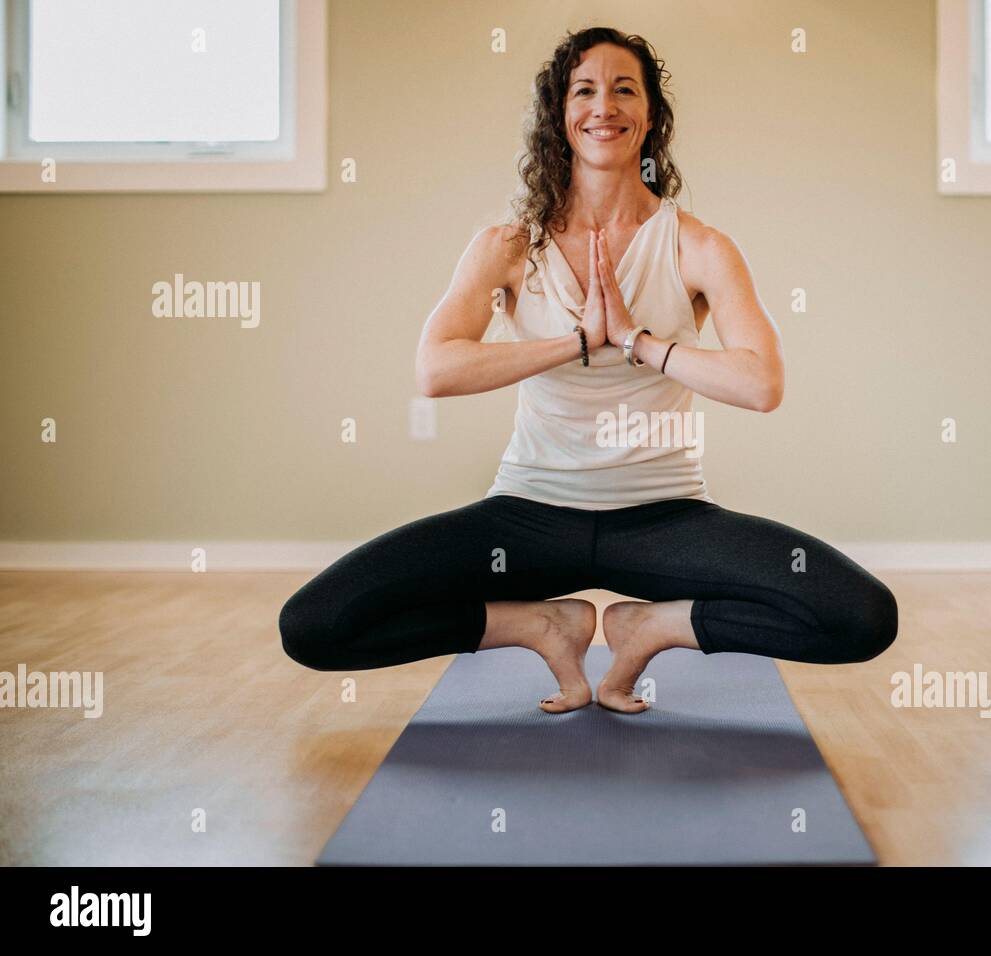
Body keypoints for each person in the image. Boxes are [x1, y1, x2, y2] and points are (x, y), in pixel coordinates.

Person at [279, 26, 898, 714]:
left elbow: (762, 384)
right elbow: (436, 369)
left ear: (652, 116)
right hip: (529, 515)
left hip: (665, 519)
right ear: (561, 116)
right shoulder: (511, 247)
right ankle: (539, 625)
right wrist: (575, 343)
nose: (604, 105)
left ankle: (653, 626)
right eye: (584, 90)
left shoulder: (697, 246)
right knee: (314, 625)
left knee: (862, 616)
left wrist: (641, 342)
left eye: (623, 89)